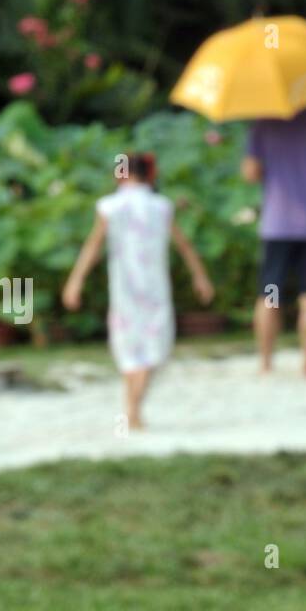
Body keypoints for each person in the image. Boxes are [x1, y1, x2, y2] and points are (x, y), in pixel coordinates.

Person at [62, 152, 214, 431]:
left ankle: (131, 408)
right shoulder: (161, 206)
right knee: (154, 343)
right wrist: (200, 277)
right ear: (149, 174)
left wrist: (76, 280)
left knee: (129, 343)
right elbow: (184, 246)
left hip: (123, 286)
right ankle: (134, 408)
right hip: (155, 286)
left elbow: (93, 246)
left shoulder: (110, 206)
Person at [242, 106, 306, 377]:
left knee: (270, 294)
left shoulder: (264, 125)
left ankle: (266, 363)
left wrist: (275, 172)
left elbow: (250, 173)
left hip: (278, 224)